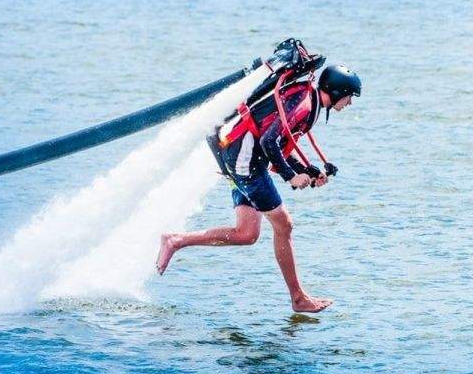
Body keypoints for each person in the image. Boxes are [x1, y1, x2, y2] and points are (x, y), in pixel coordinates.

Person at [155, 65, 362, 312]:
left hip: (239, 158)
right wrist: (289, 177)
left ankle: (176, 240)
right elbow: (268, 141)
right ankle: (298, 298)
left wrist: (307, 172)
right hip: (246, 162)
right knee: (284, 225)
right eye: (350, 96)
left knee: (247, 233)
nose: (349, 103)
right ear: (338, 91)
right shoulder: (305, 104)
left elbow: (278, 145)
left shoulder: (307, 101)